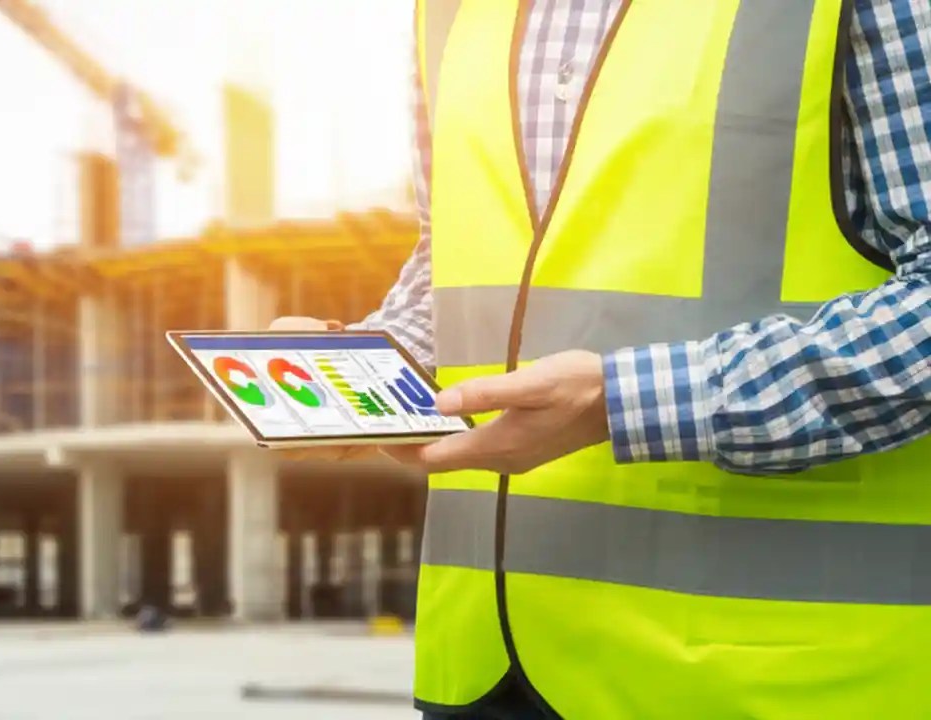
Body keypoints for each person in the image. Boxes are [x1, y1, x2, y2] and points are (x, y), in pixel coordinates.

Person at [272, 1, 931, 717]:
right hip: (483, 669)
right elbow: (457, 262)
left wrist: (629, 402)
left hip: (766, 682)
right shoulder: (448, 12)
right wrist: (371, 362)